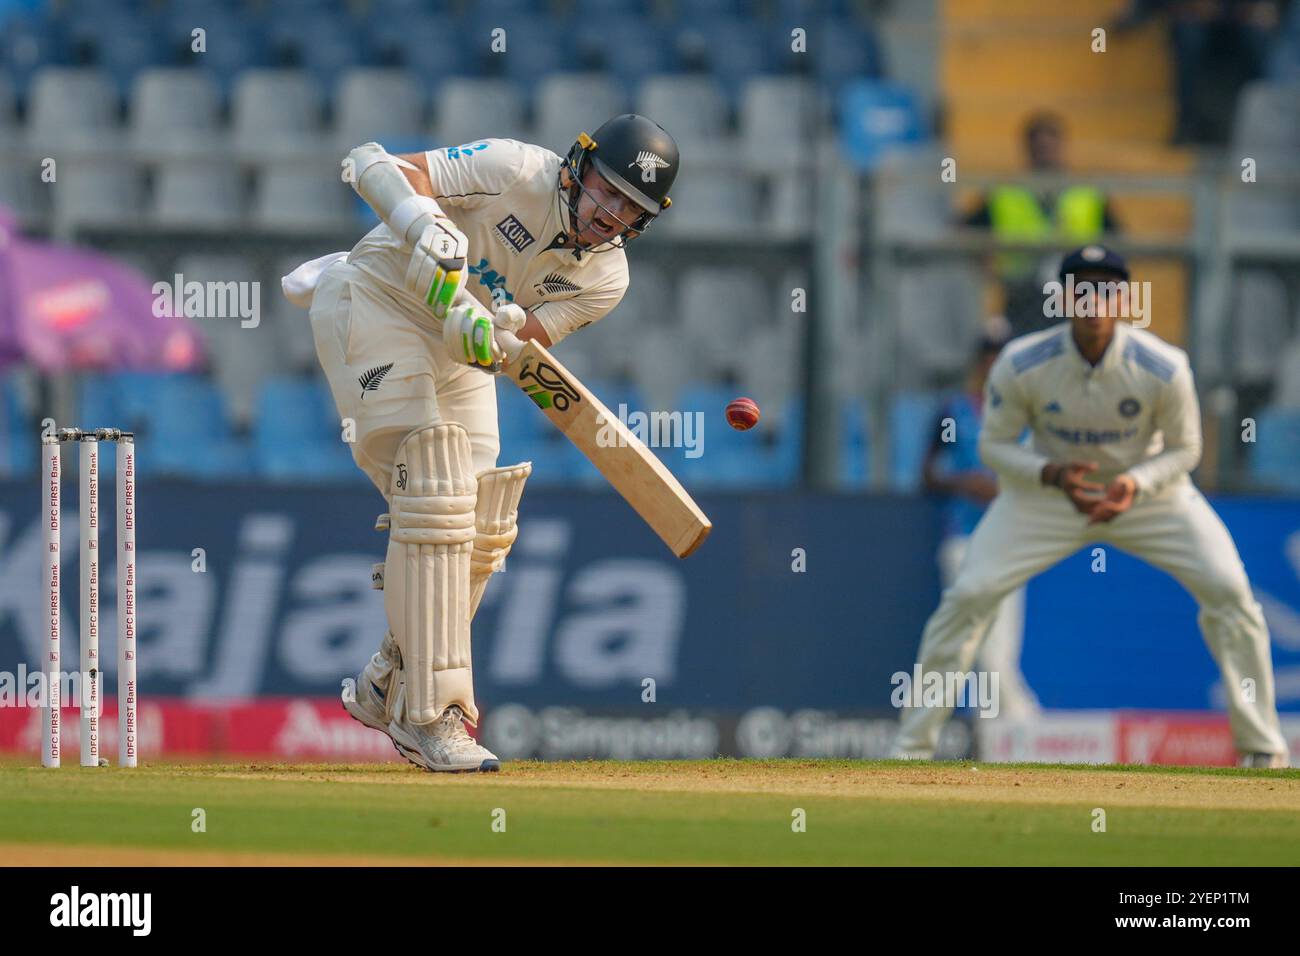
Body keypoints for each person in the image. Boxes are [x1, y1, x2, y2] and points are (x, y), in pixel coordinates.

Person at [281, 115, 678, 771]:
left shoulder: (607, 278)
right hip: (376, 301)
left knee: (484, 520)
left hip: (454, 353)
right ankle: (432, 716)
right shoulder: (513, 167)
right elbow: (372, 162)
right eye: (607, 190)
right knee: (434, 483)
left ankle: (391, 673)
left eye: (630, 208)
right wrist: (424, 228)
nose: (611, 213)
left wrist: (496, 336)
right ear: (580, 168)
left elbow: (524, 350)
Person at [892, 244, 1289, 768]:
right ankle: (911, 748)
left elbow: (1186, 449)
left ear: (1123, 298)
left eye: (1106, 287)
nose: (1094, 298)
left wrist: (1136, 483)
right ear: (1062, 297)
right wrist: (1049, 473)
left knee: (1229, 591)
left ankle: (1262, 747)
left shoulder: (1164, 367)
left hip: (1150, 499)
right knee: (969, 595)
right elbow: (995, 445)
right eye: (1082, 286)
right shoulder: (1024, 363)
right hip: (1048, 497)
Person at [921, 316, 1039, 722]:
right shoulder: (953, 411)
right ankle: (1028, 725)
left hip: (1009, 539)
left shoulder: (1025, 414)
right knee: (977, 640)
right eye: (987, 356)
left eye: (1000, 357)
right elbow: (928, 475)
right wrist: (964, 482)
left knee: (1000, 647)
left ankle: (995, 737)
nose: (993, 365)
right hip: (964, 539)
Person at [963, 114, 1121, 336]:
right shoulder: (1006, 194)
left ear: (1062, 148)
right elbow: (966, 233)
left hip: (1076, 299)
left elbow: (1118, 241)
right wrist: (988, 270)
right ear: (1027, 150)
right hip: (1023, 296)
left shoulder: (1087, 194)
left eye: (1050, 147)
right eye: (1039, 148)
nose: (1045, 155)